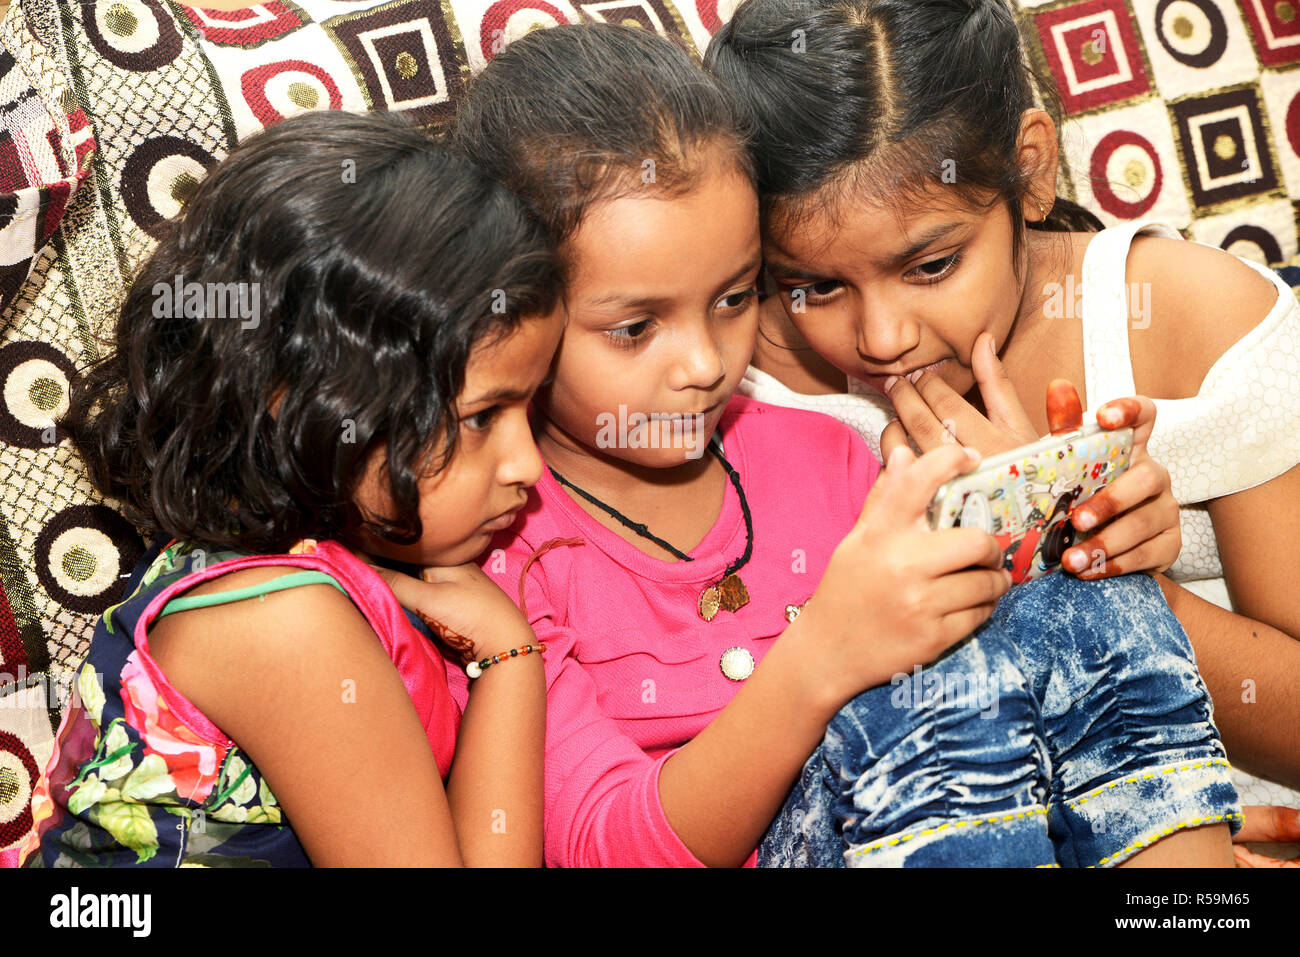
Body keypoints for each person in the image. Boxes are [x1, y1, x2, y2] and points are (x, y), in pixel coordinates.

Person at [453, 22, 1240, 867]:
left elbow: (1019, 699)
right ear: (507, 319)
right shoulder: (509, 553)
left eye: (734, 297)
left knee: (1065, 591)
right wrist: (819, 659)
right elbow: (599, 846)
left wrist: (1084, 529)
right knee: (908, 695)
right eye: (636, 326)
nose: (704, 363)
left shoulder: (825, 459)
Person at [704, 0, 1300, 813]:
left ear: (1029, 168)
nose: (880, 338)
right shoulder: (740, 383)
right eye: (815, 285)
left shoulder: (1196, 321)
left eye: (932, 264)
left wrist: (1062, 558)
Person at [18, 110, 563, 867]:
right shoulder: (283, 624)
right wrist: (510, 662)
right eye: (481, 417)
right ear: (299, 399)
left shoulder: (266, 569)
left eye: (532, 407)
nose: (528, 465)